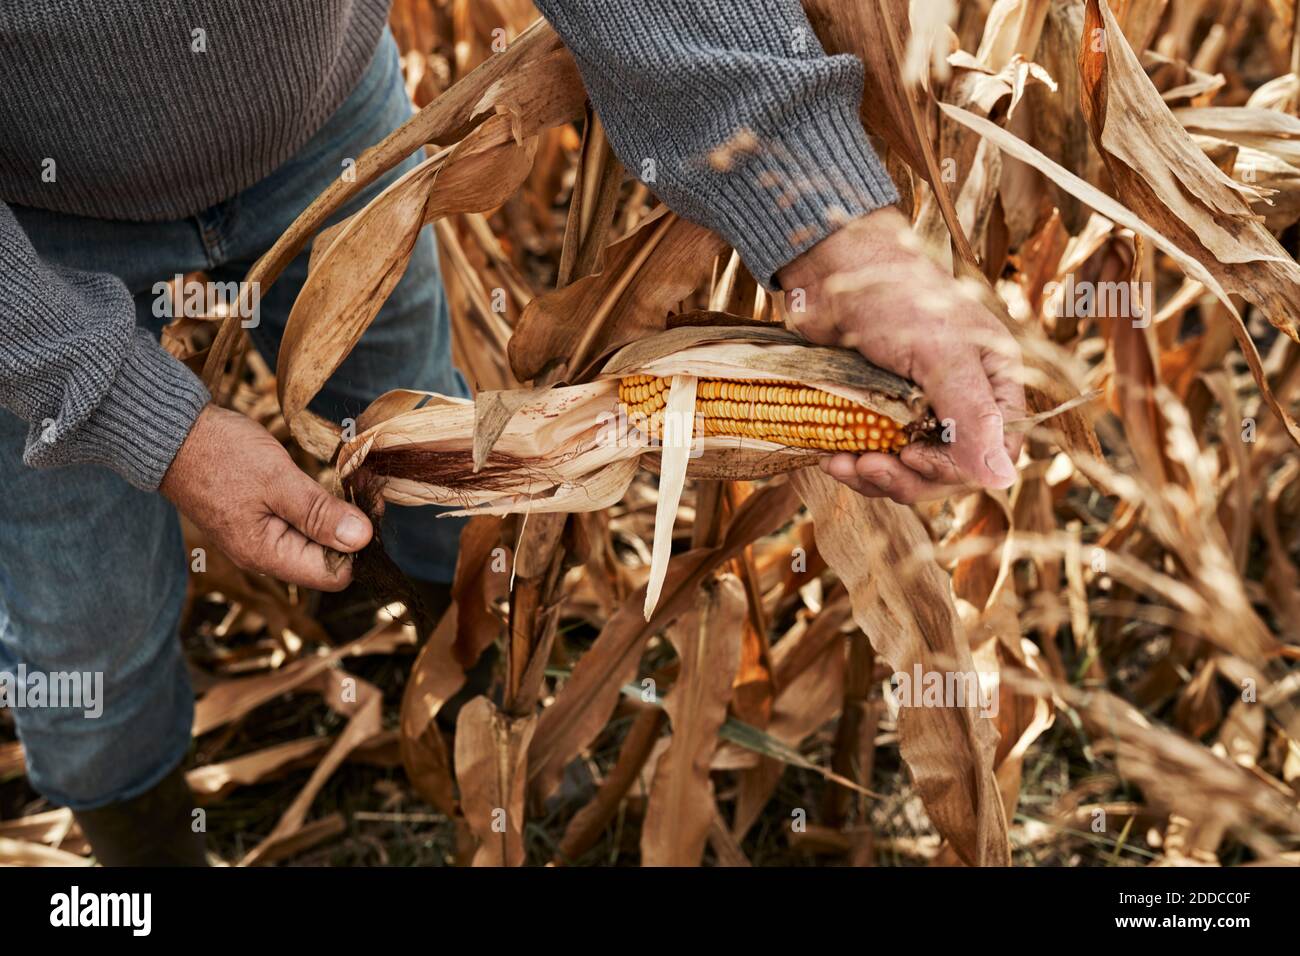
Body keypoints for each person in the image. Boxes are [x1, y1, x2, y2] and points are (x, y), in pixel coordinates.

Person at [0, 0, 1023, 865]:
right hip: (33, 233)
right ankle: (141, 846)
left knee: (440, 445)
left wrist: (829, 230)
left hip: (334, 140)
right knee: (84, 619)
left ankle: (464, 681)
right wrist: (139, 418)